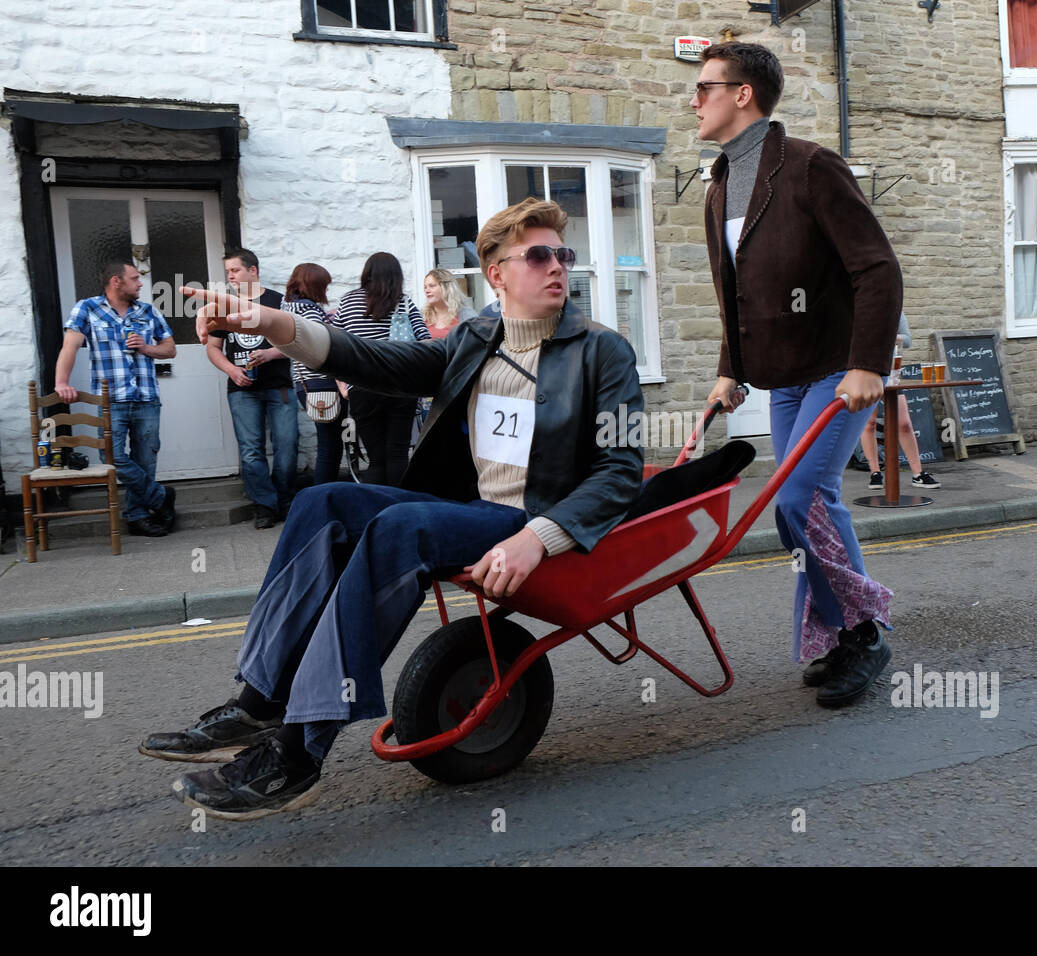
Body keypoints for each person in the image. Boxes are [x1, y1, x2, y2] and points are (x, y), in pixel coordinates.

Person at [142, 198, 643, 819]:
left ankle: (296, 756)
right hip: (467, 506)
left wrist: (539, 536)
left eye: (562, 255)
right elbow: (376, 360)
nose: (557, 267)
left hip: (526, 517)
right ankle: (259, 701)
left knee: (395, 526)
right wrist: (275, 324)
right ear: (496, 274)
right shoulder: (476, 338)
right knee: (323, 501)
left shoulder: (604, 351)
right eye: (538, 255)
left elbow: (620, 470)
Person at [694, 42, 903, 708]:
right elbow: (735, 295)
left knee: (800, 499)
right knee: (799, 510)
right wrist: (731, 371)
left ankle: (866, 633)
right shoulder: (721, 185)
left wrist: (869, 362)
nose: (694, 100)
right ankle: (844, 632)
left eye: (704, 88)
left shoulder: (811, 168)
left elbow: (877, 268)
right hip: (784, 378)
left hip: (838, 368)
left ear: (743, 93)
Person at [54, 262, 177, 537]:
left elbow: (170, 350)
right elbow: (70, 346)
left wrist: (146, 348)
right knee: (111, 456)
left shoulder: (147, 311)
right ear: (116, 281)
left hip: (147, 398)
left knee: (146, 459)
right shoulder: (87, 308)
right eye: (134, 278)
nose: (140, 283)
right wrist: (61, 382)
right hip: (110, 401)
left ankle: (137, 516)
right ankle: (160, 497)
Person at [206, 249, 298, 529]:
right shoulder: (223, 306)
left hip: (279, 386)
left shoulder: (278, 302)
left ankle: (285, 501)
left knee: (288, 446)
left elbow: (297, 340)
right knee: (251, 451)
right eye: (228, 272)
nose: (230, 276)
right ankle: (264, 506)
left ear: (253, 271)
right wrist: (231, 370)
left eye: (235, 270)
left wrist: (271, 354)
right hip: (242, 389)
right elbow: (212, 347)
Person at [334, 253, 431, 486]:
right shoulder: (404, 302)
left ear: (367, 273)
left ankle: (375, 511)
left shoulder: (347, 301)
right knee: (397, 453)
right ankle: (400, 510)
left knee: (376, 459)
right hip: (400, 385)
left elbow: (334, 344)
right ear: (396, 276)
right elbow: (426, 341)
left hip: (363, 386)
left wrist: (342, 382)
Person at [853, 312, 941, 489]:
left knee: (904, 424)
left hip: (891, 371)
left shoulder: (895, 310)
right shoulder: (860, 309)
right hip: (866, 370)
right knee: (869, 423)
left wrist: (887, 336)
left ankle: (917, 474)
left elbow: (907, 340)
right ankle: (875, 473)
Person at [283, 263, 346, 486]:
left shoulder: (291, 307)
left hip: (307, 384)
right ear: (314, 285)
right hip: (322, 383)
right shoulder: (306, 310)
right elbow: (323, 346)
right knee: (330, 446)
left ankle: (324, 496)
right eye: (324, 286)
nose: (326, 292)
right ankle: (322, 497)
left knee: (329, 443)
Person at [423, 267, 477, 339]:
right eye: (425, 287)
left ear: (446, 287)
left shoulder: (465, 314)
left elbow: (477, 343)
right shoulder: (423, 316)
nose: (427, 290)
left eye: (432, 286)